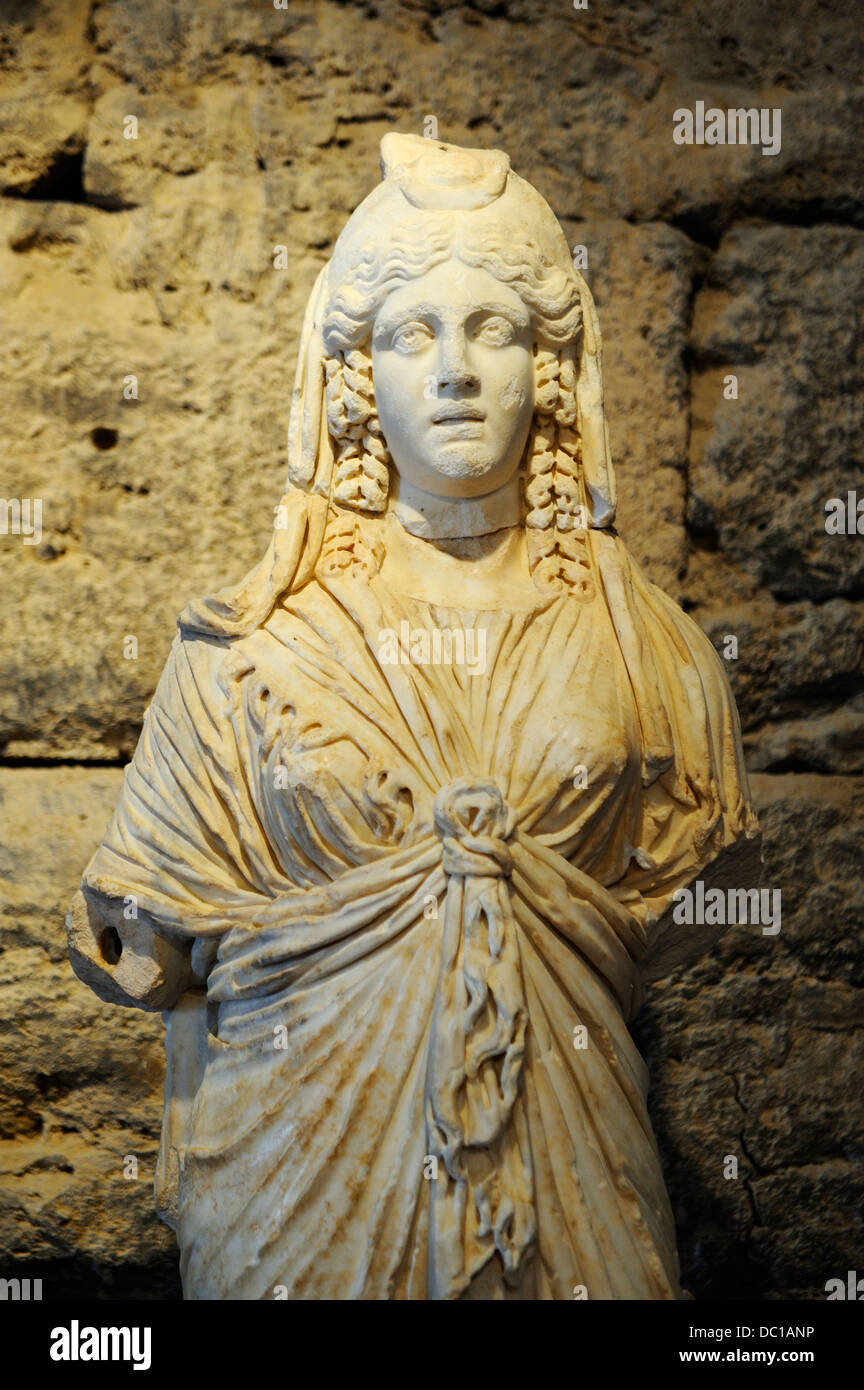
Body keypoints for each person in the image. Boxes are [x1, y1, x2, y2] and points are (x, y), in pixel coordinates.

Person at [68, 134, 760, 1300]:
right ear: (356, 375)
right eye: (411, 333)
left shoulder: (652, 652)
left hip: (573, 1188)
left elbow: (685, 874)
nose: (454, 371)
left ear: (548, 364)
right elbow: (150, 931)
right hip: (294, 1197)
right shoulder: (249, 649)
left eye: (491, 327)